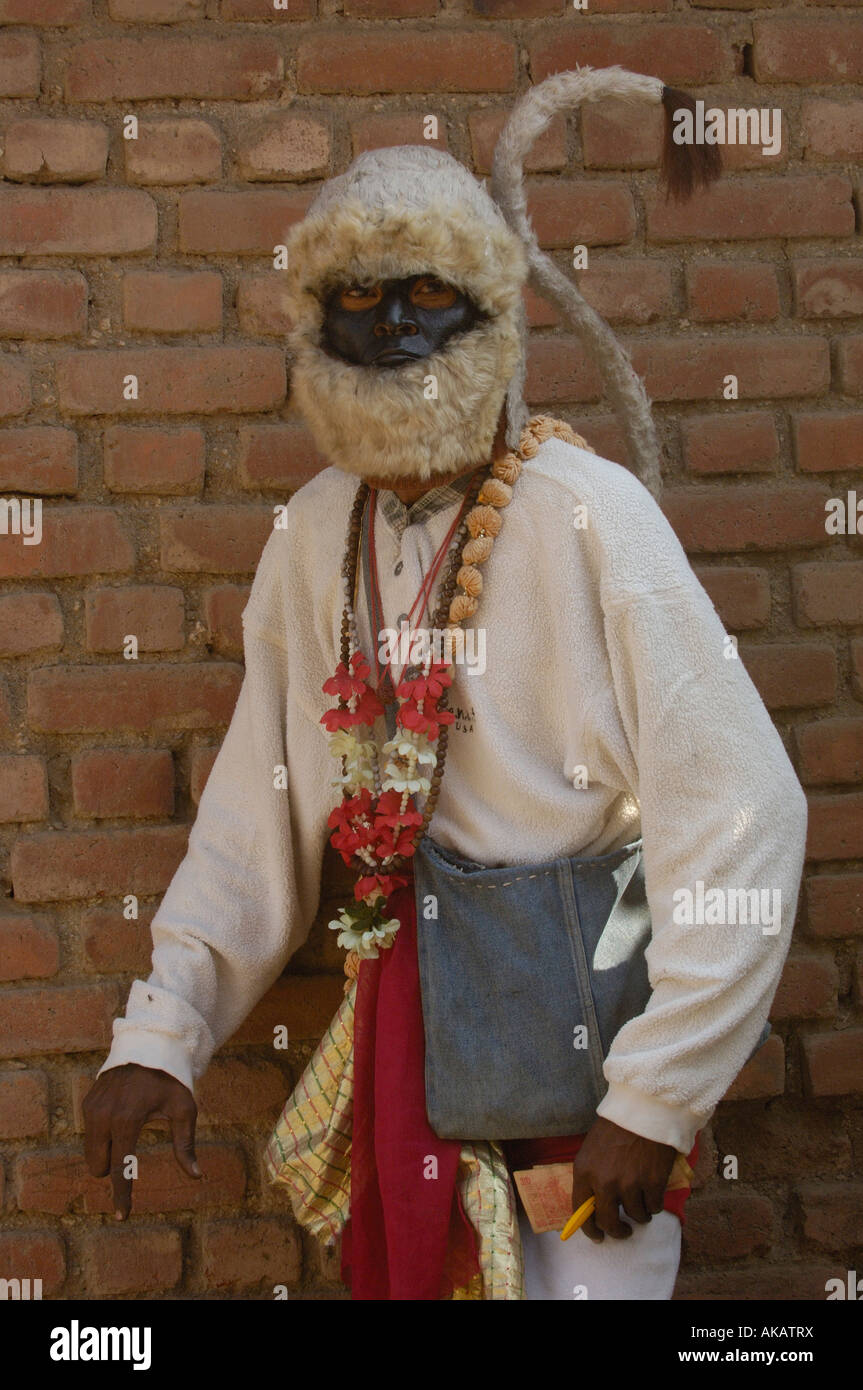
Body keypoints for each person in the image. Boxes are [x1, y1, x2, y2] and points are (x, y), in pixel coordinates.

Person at [83, 66, 807, 1301]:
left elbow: (744, 809)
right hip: (411, 1032)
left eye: (430, 295)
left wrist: (659, 1091)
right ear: (318, 322)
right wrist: (166, 1029)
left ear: (489, 314)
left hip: (585, 1042)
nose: (398, 332)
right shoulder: (317, 534)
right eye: (361, 300)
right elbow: (257, 813)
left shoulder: (589, 517)